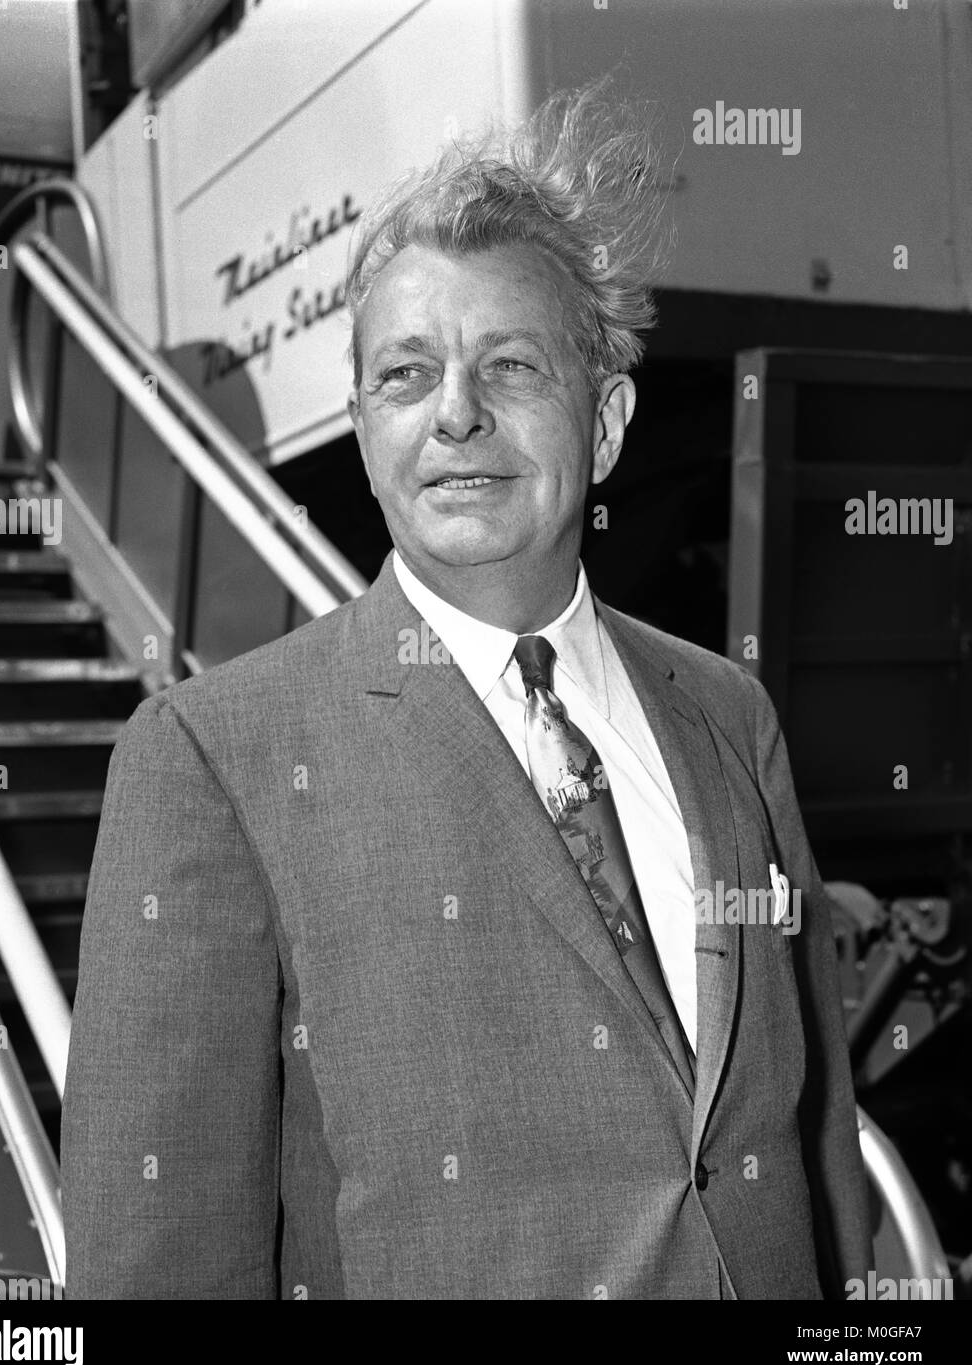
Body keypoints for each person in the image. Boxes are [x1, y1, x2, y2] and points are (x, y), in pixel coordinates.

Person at [61, 79, 872, 1299]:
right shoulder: (211, 757)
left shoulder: (725, 715)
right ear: (363, 428)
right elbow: (160, 1258)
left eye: (509, 364)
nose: (454, 413)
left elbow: (809, 1145)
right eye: (404, 375)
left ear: (602, 426)